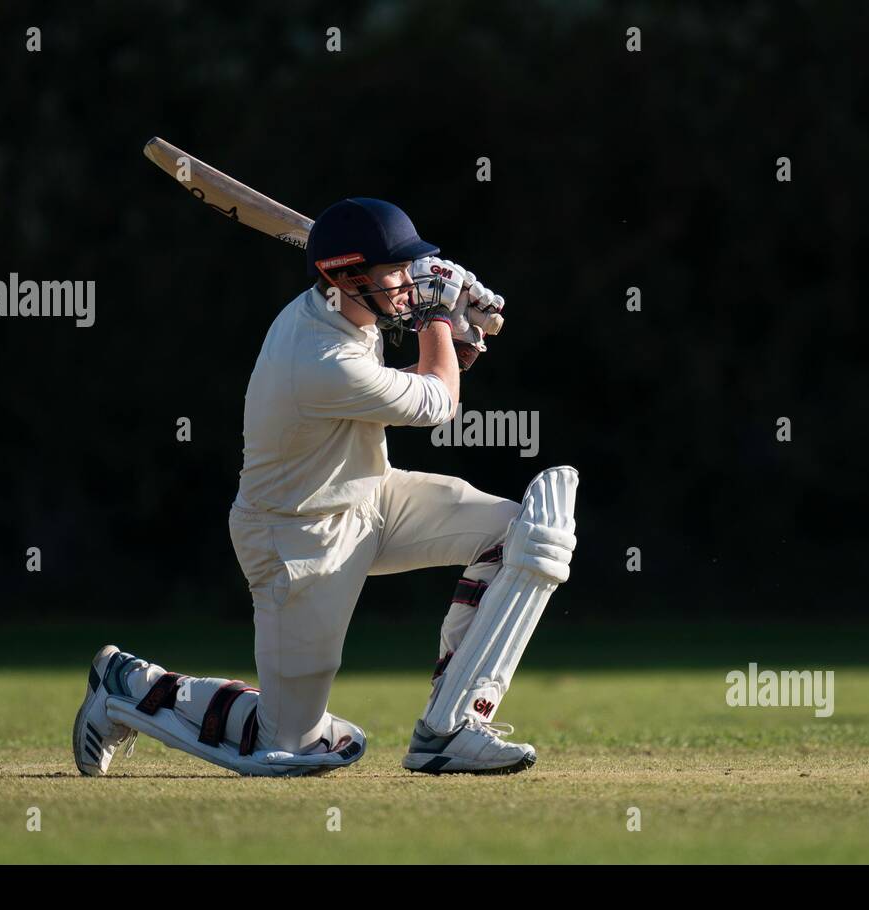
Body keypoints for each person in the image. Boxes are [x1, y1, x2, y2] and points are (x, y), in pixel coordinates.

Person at [73, 197, 577, 777]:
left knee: (523, 534)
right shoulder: (319, 356)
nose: (408, 285)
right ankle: (129, 684)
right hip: (298, 536)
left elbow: (410, 381)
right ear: (347, 277)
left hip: (374, 499)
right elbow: (437, 403)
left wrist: (451, 340)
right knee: (291, 742)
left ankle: (451, 727)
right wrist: (438, 316)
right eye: (396, 272)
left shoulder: (347, 312)